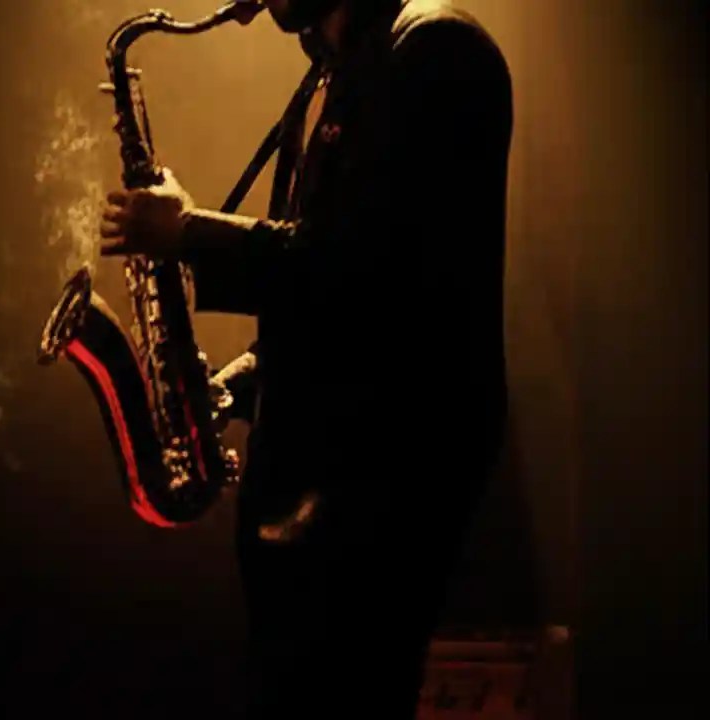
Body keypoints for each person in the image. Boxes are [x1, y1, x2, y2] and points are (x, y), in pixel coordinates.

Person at [98, 0, 513, 716]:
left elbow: (369, 274)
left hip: (377, 487)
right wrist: (241, 382)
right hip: (326, 486)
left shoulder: (436, 52)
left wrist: (188, 231)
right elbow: (331, 300)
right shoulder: (339, 70)